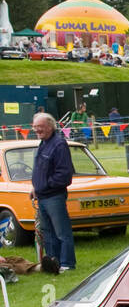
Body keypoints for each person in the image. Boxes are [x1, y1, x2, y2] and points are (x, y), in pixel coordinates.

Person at [29, 112, 76, 272]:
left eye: (40, 127)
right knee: (48, 233)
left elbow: (64, 174)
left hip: (54, 196)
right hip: (42, 196)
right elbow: (41, 170)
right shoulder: (43, 143)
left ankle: (67, 263)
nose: (37, 131)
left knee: (62, 231)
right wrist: (36, 188)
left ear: (50, 126)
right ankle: (52, 263)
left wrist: (46, 185)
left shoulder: (59, 144)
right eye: (35, 127)